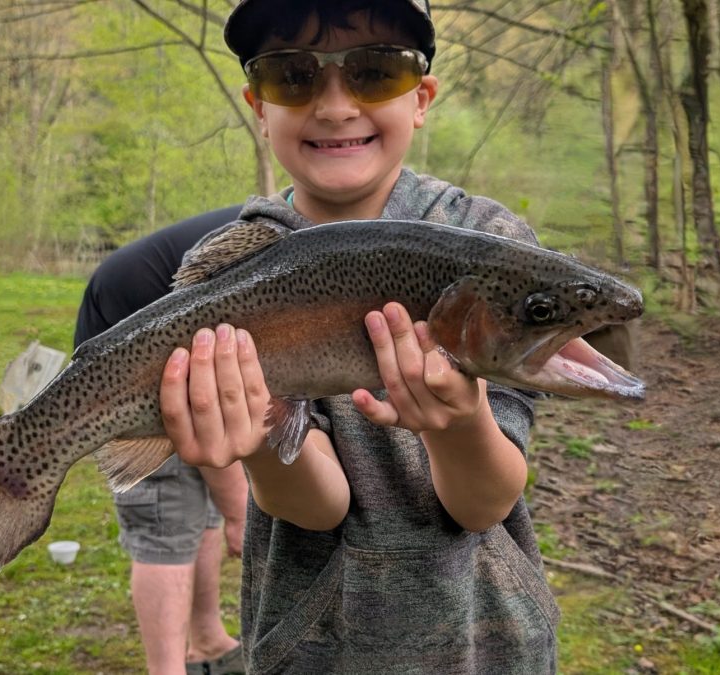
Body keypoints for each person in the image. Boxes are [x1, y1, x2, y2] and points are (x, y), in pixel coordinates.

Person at [159, 0, 560, 671]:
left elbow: (486, 500)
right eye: (294, 76)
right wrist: (256, 437)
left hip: (482, 646)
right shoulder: (234, 266)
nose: (336, 104)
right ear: (259, 106)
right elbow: (317, 508)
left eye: (375, 72)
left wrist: (460, 425)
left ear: (422, 97)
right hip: (314, 650)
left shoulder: (491, 251)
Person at [75, 207, 249, 675]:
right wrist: (239, 513)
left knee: (203, 511)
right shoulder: (289, 228)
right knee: (165, 519)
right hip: (133, 338)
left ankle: (208, 641)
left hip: (183, 329)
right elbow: (207, 411)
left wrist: (228, 509)